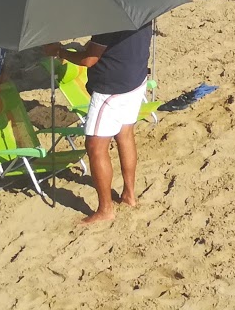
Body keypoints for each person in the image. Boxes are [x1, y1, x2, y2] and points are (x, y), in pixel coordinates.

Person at [41, 23, 152, 225]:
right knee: (125, 134)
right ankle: (129, 195)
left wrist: (60, 51)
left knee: (95, 147)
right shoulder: (142, 7)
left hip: (112, 88)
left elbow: (89, 59)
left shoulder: (109, 17)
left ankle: (105, 209)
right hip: (136, 79)